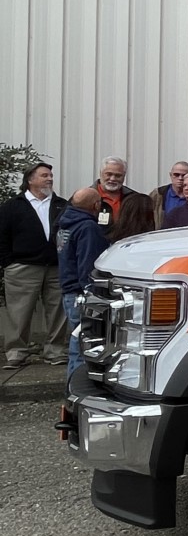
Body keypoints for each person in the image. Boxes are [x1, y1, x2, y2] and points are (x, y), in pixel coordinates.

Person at [0, 162, 69, 369]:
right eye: (44, 175)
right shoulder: (13, 206)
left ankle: (55, 351)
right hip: (22, 267)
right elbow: (2, 236)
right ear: (30, 179)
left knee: (58, 312)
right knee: (18, 312)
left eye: (50, 176)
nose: (49, 179)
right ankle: (16, 353)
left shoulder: (62, 205)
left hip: (56, 267)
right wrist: (8, 263)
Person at [57, 188, 110, 383]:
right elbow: (88, 264)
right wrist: (93, 293)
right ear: (96, 205)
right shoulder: (88, 227)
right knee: (83, 343)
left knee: (77, 338)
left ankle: (72, 383)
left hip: (68, 291)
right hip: (82, 293)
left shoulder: (65, 224)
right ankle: (77, 386)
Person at [92, 156, 138, 229]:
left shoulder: (133, 198)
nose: (112, 179)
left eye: (118, 175)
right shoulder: (85, 198)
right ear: (100, 173)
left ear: (124, 176)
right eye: (109, 174)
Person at [148, 160, 188, 229]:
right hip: (162, 234)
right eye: (176, 175)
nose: (180, 178)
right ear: (171, 175)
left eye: (184, 175)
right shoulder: (158, 195)